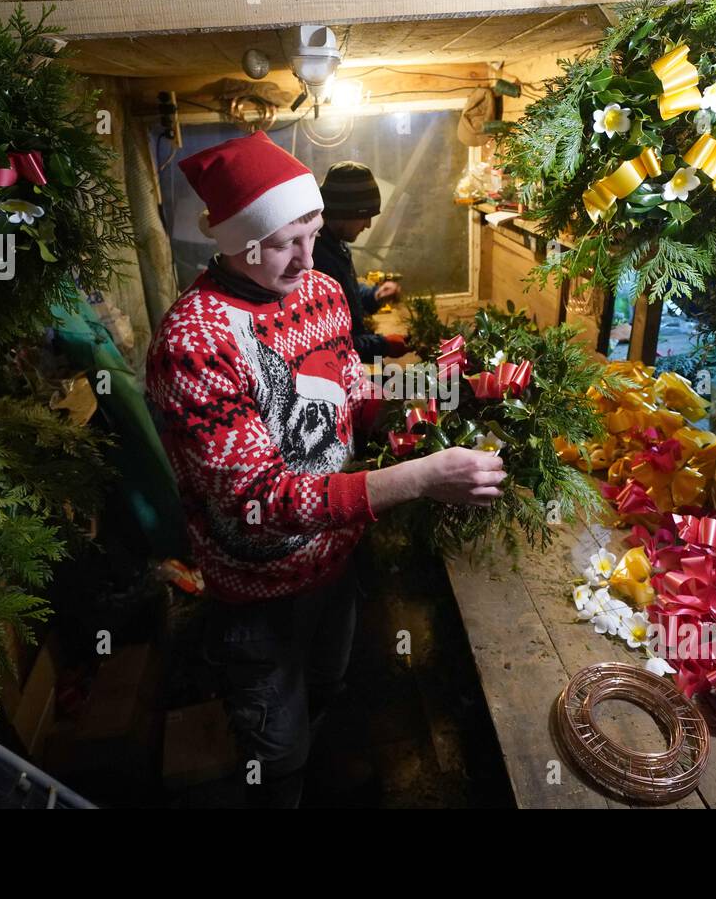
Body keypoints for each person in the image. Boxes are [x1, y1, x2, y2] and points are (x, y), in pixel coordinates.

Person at [145, 131, 503, 808]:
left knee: (328, 684)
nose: (309, 258)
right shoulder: (194, 343)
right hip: (260, 590)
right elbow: (263, 497)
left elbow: (352, 396)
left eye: (314, 232)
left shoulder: (321, 296)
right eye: (285, 241)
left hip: (336, 563)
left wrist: (452, 386)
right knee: (275, 743)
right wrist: (422, 476)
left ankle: (316, 759)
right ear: (234, 240)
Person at [311, 161, 409, 363]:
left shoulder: (336, 245)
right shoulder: (317, 261)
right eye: (364, 216)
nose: (368, 225)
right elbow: (333, 344)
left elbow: (346, 295)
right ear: (344, 211)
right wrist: (383, 345)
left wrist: (375, 295)